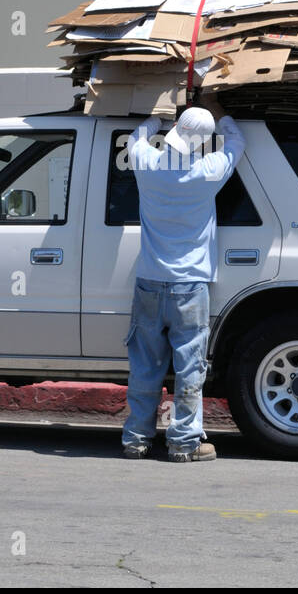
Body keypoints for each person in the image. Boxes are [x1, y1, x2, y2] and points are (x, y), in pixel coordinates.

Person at [121, 96, 245, 462]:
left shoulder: (146, 163)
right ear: (202, 143)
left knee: (145, 364)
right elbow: (237, 143)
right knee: (189, 367)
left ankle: (136, 439)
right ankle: (184, 443)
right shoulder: (208, 171)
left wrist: (155, 116)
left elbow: (135, 138)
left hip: (148, 282)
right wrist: (221, 115)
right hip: (190, 288)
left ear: (174, 132)